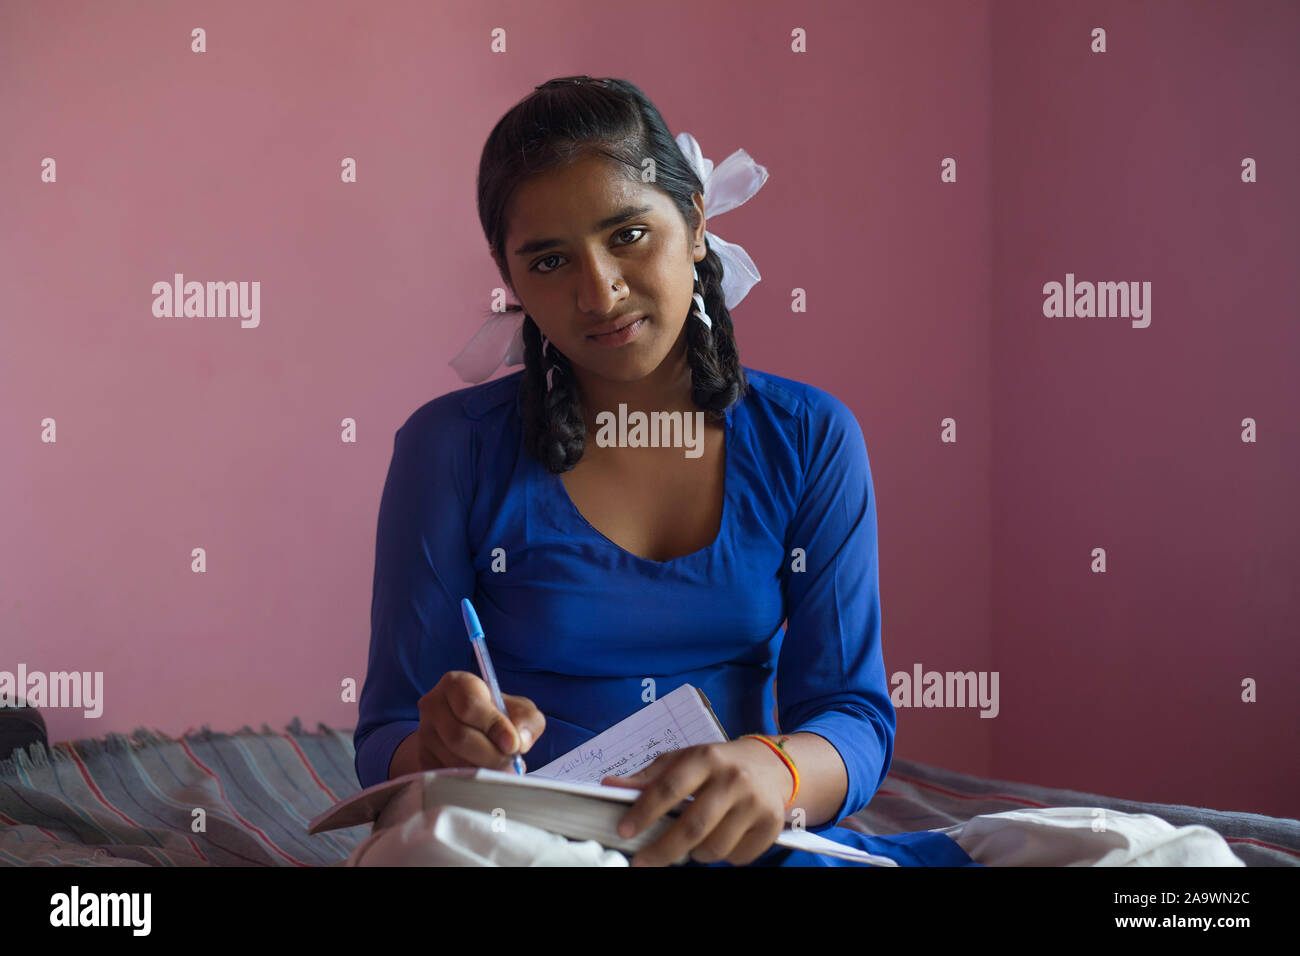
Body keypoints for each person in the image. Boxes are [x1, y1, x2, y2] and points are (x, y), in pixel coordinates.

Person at [353, 76, 976, 868]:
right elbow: (384, 739)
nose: (598, 291)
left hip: (733, 842)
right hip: (525, 851)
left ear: (697, 222)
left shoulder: (812, 438)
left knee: (1156, 857)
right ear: (511, 283)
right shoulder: (450, 449)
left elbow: (852, 717)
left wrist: (774, 769)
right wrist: (438, 747)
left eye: (627, 236)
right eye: (548, 260)